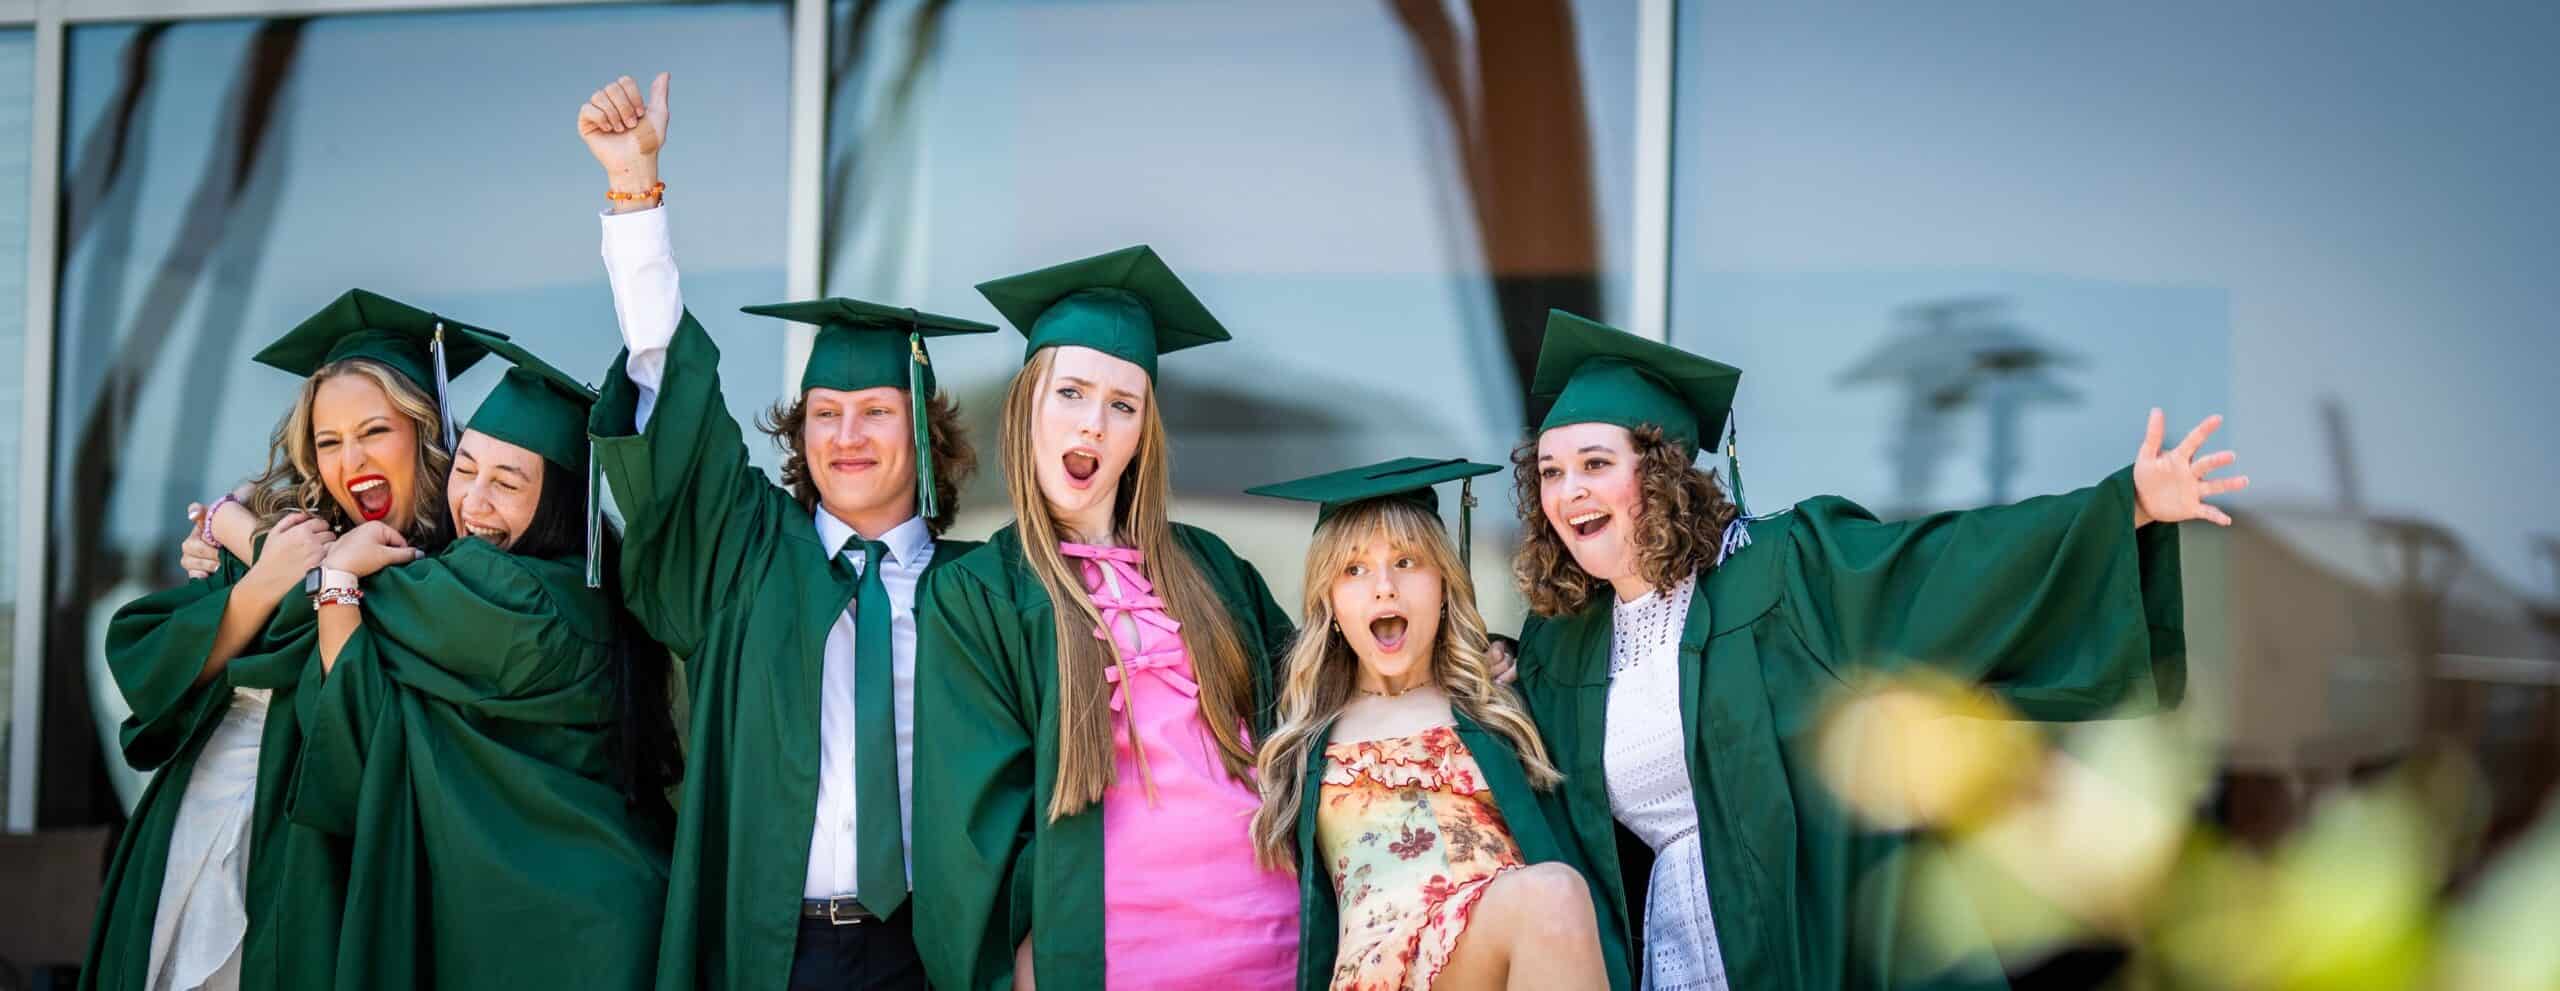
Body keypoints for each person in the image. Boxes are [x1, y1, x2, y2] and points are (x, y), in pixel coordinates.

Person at [1507, 311, 2240, 990]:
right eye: (1550, 471)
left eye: (1596, 463)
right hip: (1673, 953)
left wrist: (2128, 504)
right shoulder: (1561, 645)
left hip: (1812, 940)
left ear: (1658, 470)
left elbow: (1943, 573)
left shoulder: (1785, 573)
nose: (1570, 490)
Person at [578, 70, 993, 990]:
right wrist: (634, 193)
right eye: (825, 410)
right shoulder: (753, 559)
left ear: (926, 432)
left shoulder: (986, 591)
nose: (846, 435)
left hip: (935, 952)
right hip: (774, 949)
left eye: (876, 411)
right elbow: (673, 399)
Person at [911, 246, 1303, 990]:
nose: (1093, 423)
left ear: (1142, 434)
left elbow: (1312, 708)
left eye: (1122, 405)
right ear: (1029, 402)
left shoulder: (1212, 568)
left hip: (1272, 945)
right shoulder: (980, 593)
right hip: (1111, 962)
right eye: (1071, 393)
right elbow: (971, 824)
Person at [82, 290, 494, 991]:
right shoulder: (278, 546)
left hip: (318, 853)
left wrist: (258, 537)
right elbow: (147, 664)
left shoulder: (451, 577)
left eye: (374, 431)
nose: (350, 458)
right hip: (196, 824)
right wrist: (260, 577)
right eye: (329, 441)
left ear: (422, 433)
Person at [257, 335, 680, 990]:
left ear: (560, 503)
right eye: (467, 468)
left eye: (508, 482)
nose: (474, 500)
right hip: (557, 917)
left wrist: (311, 565)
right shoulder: (581, 590)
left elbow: (332, 616)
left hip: (579, 936)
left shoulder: (514, 595)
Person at [1245, 457, 1609, 991]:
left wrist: (1502, 662)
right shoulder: (1305, 729)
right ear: (1330, 600)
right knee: (1551, 893)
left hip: (1500, 957)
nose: (1384, 588)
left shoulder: (1498, 703)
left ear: (1444, 582)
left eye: (1408, 561)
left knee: (1554, 895)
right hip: (1385, 971)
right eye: (1354, 569)